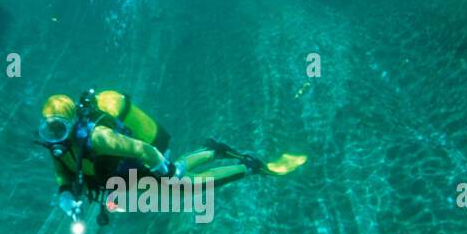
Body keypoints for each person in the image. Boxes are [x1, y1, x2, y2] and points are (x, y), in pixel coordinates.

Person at [37, 89, 305, 225]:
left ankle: (249, 166)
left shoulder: (97, 138)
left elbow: (143, 150)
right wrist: (66, 197)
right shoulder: (59, 146)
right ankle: (215, 151)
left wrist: (165, 171)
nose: (53, 136)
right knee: (177, 177)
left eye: (58, 127)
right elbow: (63, 171)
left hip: (142, 158)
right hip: (124, 172)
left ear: (72, 122)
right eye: (48, 128)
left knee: (184, 189)